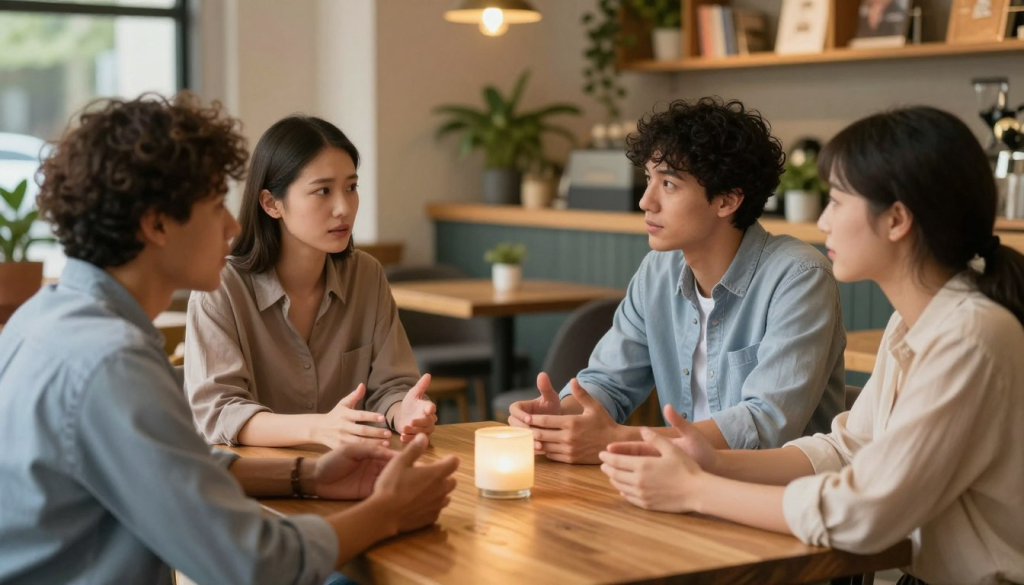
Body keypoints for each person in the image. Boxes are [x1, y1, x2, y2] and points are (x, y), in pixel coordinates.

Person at [0, 93, 458, 584]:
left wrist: (307, 475)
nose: (233, 224)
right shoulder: (112, 362)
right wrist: (388, 511)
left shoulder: (41, 320)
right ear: (157, 224)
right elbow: (253, 563)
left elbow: (173, 470)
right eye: (215, 203)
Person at [598, 106, 1024, 585]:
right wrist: (715, 461)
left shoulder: (970, 337)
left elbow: (862, 514)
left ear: (897, 220)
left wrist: (697, 490)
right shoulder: (910, 326)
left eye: (837, 201)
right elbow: (846, 451)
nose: (822, 221)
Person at [509, 97, 846, 463]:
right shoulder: (657, 271)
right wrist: (559, 418)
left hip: (777, 500)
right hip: (681, 486)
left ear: (727, 200)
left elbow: (765, 424)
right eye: (649, 179)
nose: (645, 202)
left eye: (668, 184)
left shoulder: (799, 278)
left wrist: (619, 439)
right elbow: (607, 383)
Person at [184, 115, 436, 449]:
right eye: (322, 191)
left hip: (354, 472)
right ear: (271, 204)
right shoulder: (220, 287)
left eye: (351, 187)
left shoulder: (366, 275)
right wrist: (319, 429)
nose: (343, 208)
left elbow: (391, 387)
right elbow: (220, 413)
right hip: (256, 484)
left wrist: (403, 411)